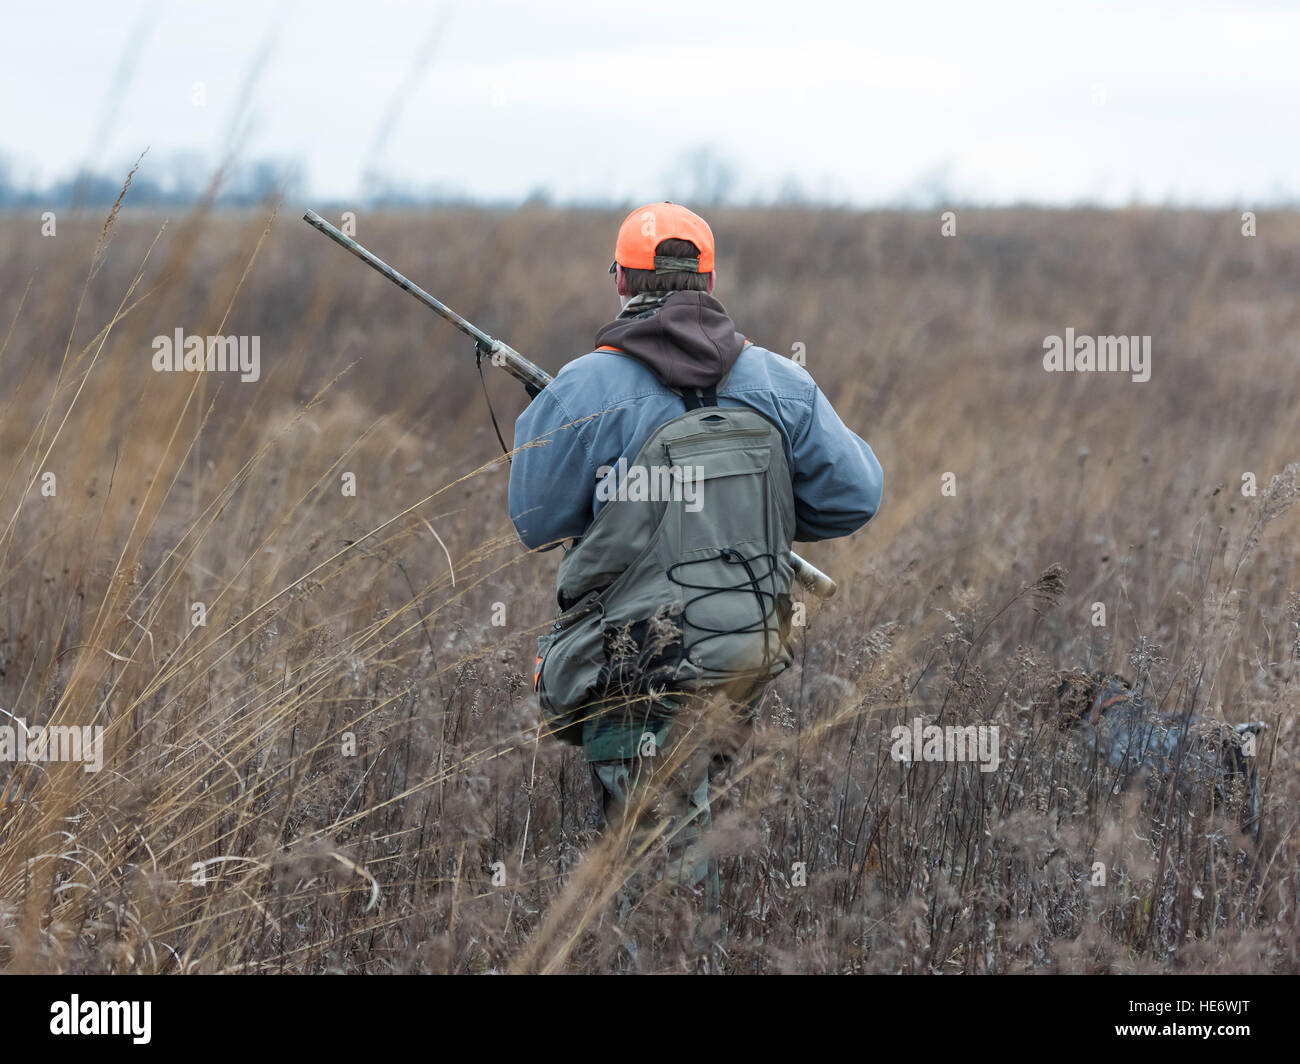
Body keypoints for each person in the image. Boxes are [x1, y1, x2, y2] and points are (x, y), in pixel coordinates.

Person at [509, 202, 883, 897]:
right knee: (701, 832)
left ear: (620, 279)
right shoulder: (780, 382)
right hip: (742, 653)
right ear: (708, 278)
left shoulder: (582, 388)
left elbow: (532, 520)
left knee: (659, 884)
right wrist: (740, 504)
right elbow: (855, 496)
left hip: (631, 661)